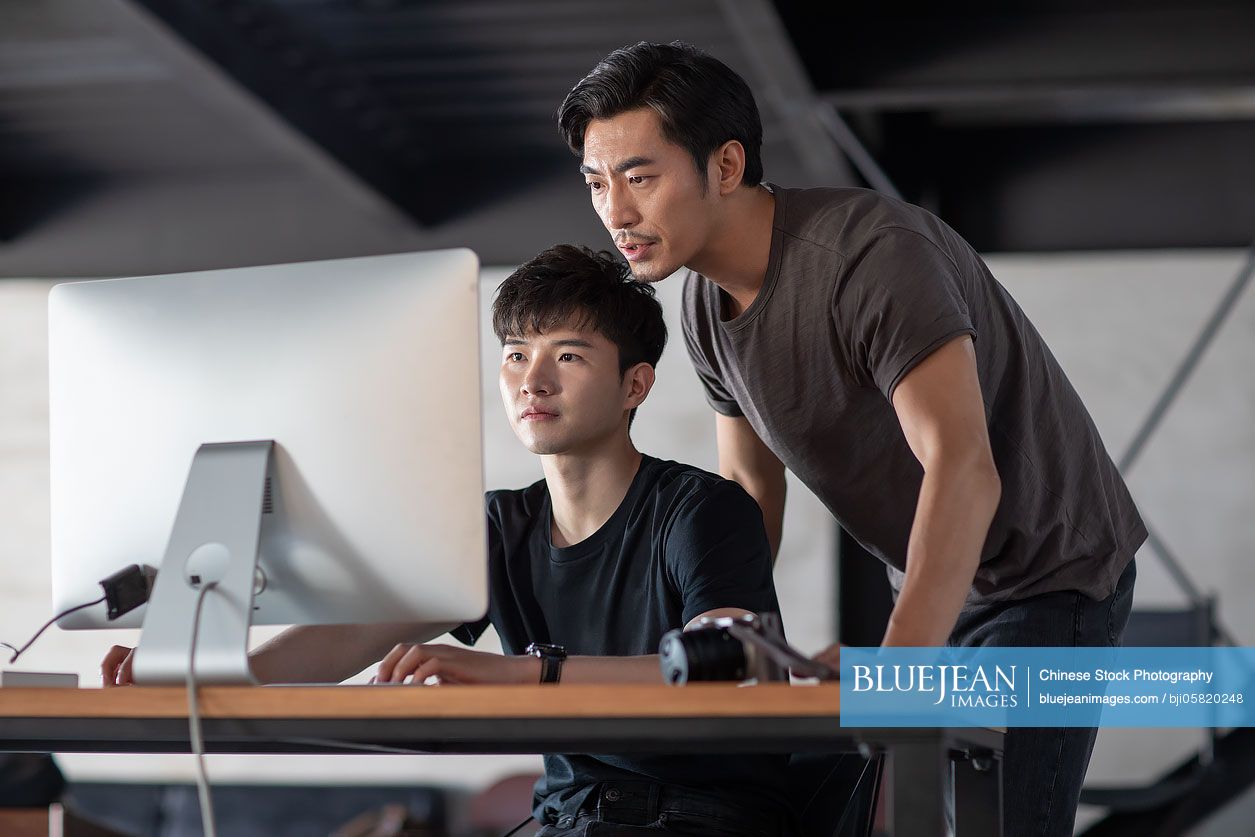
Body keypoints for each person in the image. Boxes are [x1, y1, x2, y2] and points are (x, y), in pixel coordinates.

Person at [556, 41, 1145, 836]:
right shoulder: (701, 308)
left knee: (1000, 823)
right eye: (597, 183)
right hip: (935, 579)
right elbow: (751, 492)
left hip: (1047, 570)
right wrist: (722, 647)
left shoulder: (869, 256)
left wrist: (900, 668)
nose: (615, 213)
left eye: (639, 176)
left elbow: (963, 467)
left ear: (725, 166)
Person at [104, 244, 796, 837]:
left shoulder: (699, 509)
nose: (533, 379)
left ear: (633, 385)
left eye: (569, 355)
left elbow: (731, 660)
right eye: (517, 354)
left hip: (698, 816)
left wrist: (530, 672)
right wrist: (207, 671)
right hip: (568, 816)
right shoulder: (499, 525)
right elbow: (349, 638)